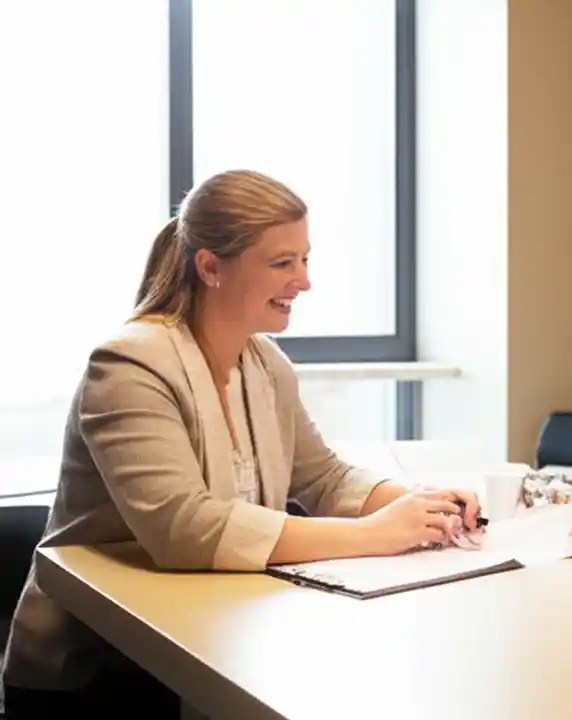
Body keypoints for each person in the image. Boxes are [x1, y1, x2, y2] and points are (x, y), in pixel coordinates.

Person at [2, 170, 484, 716]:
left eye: (305, 259)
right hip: (100, 670)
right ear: (210, 267)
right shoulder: (129, 364)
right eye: (282, 263)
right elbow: (185, 529)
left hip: (218, 636)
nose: (304, 281)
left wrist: (419, 502)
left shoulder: (264, 363)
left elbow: (323, 477)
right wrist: (373, 534)